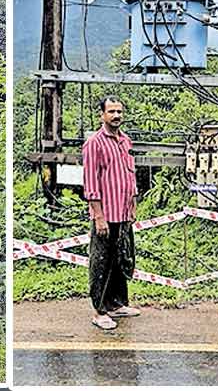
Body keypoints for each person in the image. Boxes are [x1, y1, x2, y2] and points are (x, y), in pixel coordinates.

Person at [81, 96, 141, 330]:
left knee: (121, 259)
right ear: (102, 115)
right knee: (102, 262)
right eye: (111, 112)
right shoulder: (94, 143)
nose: (116, 116)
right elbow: (91, 182)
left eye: (119, 111)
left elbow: (130, 174)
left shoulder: (125, 141)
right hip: (106, 213)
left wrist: (133, 202)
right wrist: (98, 215)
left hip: (124, 212)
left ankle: (117, 304)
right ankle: (99, 311)